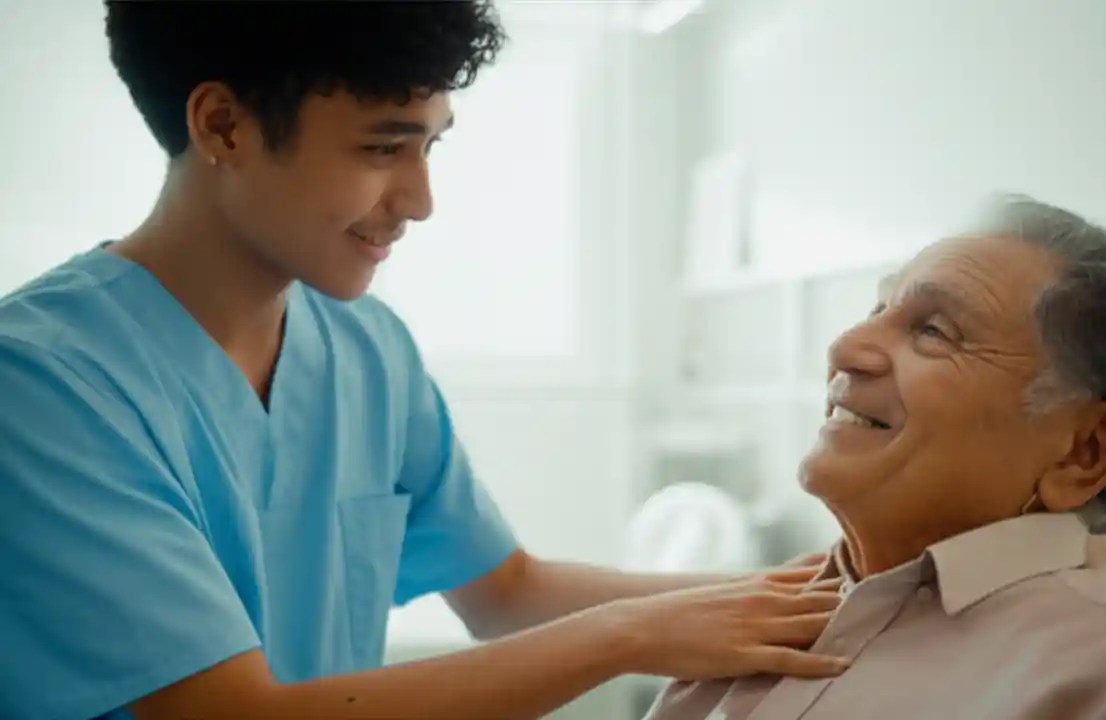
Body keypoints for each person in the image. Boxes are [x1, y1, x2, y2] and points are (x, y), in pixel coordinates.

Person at [0, 4, 853, 719]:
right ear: (223, 125)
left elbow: (506, 594)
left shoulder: (369, 351)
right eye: (382, 149)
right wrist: (635, 636)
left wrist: (812, 590)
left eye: (430, 147)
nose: (420, 200)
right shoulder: (41, 387)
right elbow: (233, 715)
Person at [644, 196, 1106, 719]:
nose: (846, 347)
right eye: (877, 311)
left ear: (1083, 451)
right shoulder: (749, 624)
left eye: (935, 332)